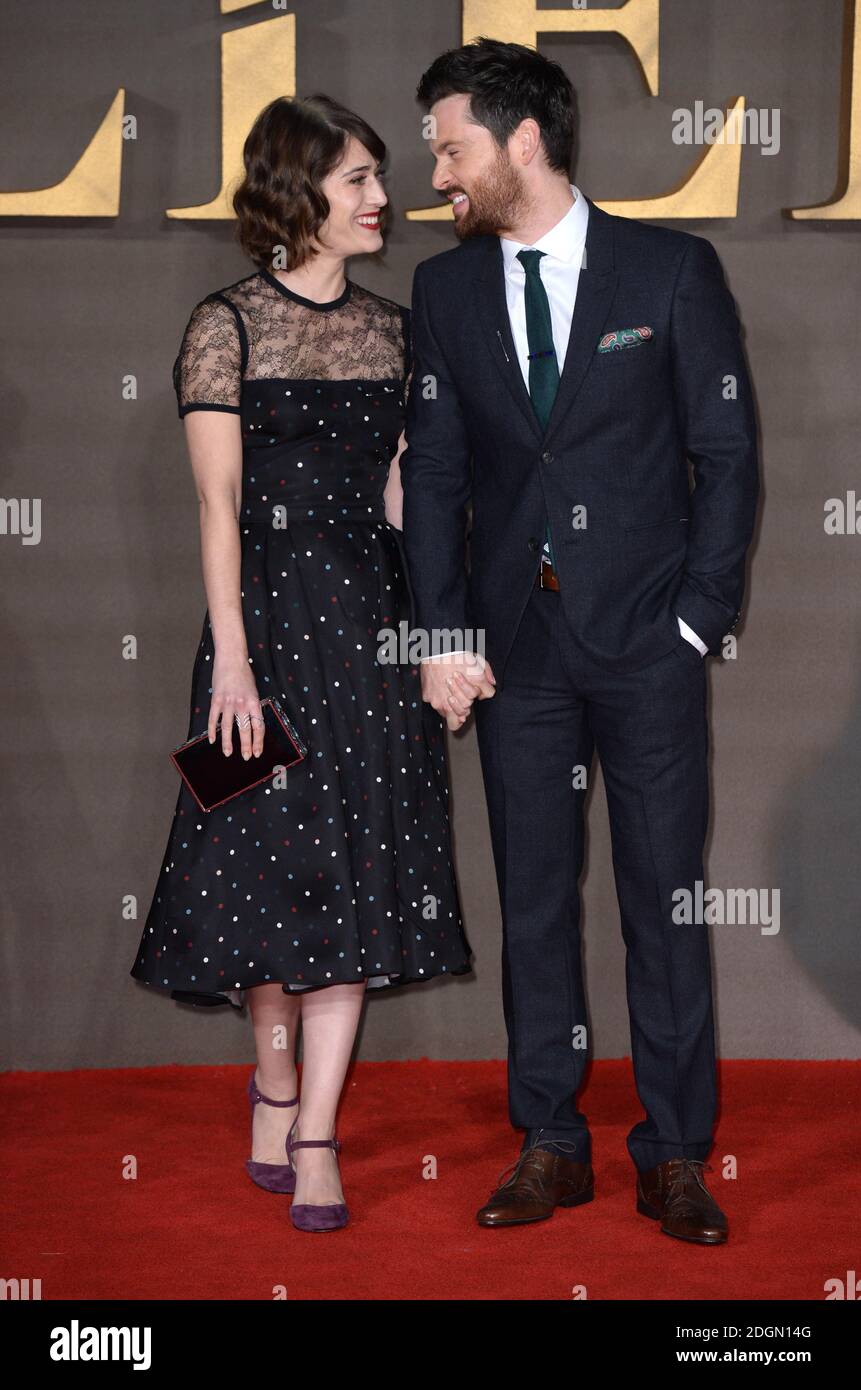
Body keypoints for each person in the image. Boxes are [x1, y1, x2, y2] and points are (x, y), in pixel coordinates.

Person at [401, 38, 759, 1243]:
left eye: (450, 147)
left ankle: (672, 1153)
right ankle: (551, 1140)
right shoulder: (446, 293)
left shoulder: (668, 272)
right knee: (536, 903)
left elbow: (729, 457)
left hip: (649, 648)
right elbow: (442, 471)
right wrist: (443, 631)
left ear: (522, 142)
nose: (436, 172)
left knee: (665, 901)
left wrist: (697, 622)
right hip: (519, 655)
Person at [130, 93, 472, 1233]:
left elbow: (406, 499)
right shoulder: (223, 325)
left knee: (360, 884)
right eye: (363, 179)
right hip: (259, 641)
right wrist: (230, 663)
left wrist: (433, 639)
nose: (387, 198)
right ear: (300, 190)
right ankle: (273, 1081)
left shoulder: (394, 330)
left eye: (384, 177)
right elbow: (218, 503)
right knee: (259, 891)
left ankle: (317, 1129)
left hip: (371, 639)